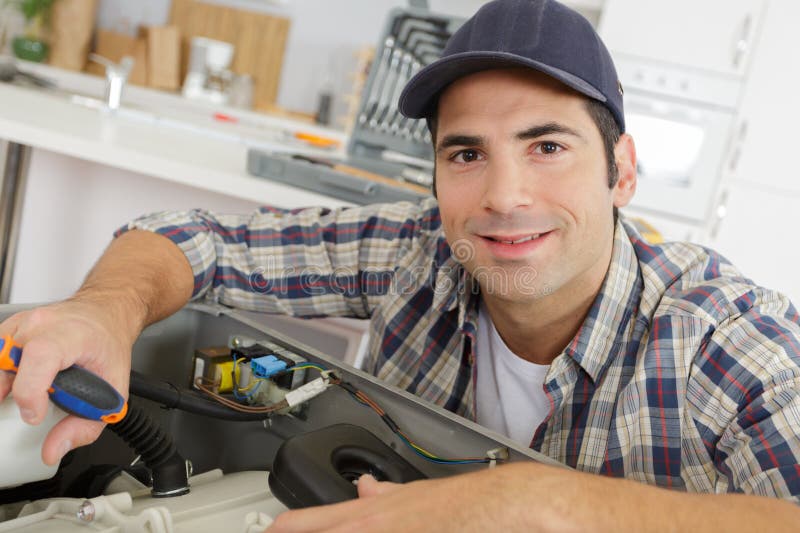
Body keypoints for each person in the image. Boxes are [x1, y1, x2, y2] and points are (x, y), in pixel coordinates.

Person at [2, 0, 800, 530]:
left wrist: (541, 503)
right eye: (467, 154)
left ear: (621, 170)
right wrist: (105, 308)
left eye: (548, 146)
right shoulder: (419, 250)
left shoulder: (722, 337)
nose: (505, 196)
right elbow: (192, 240)